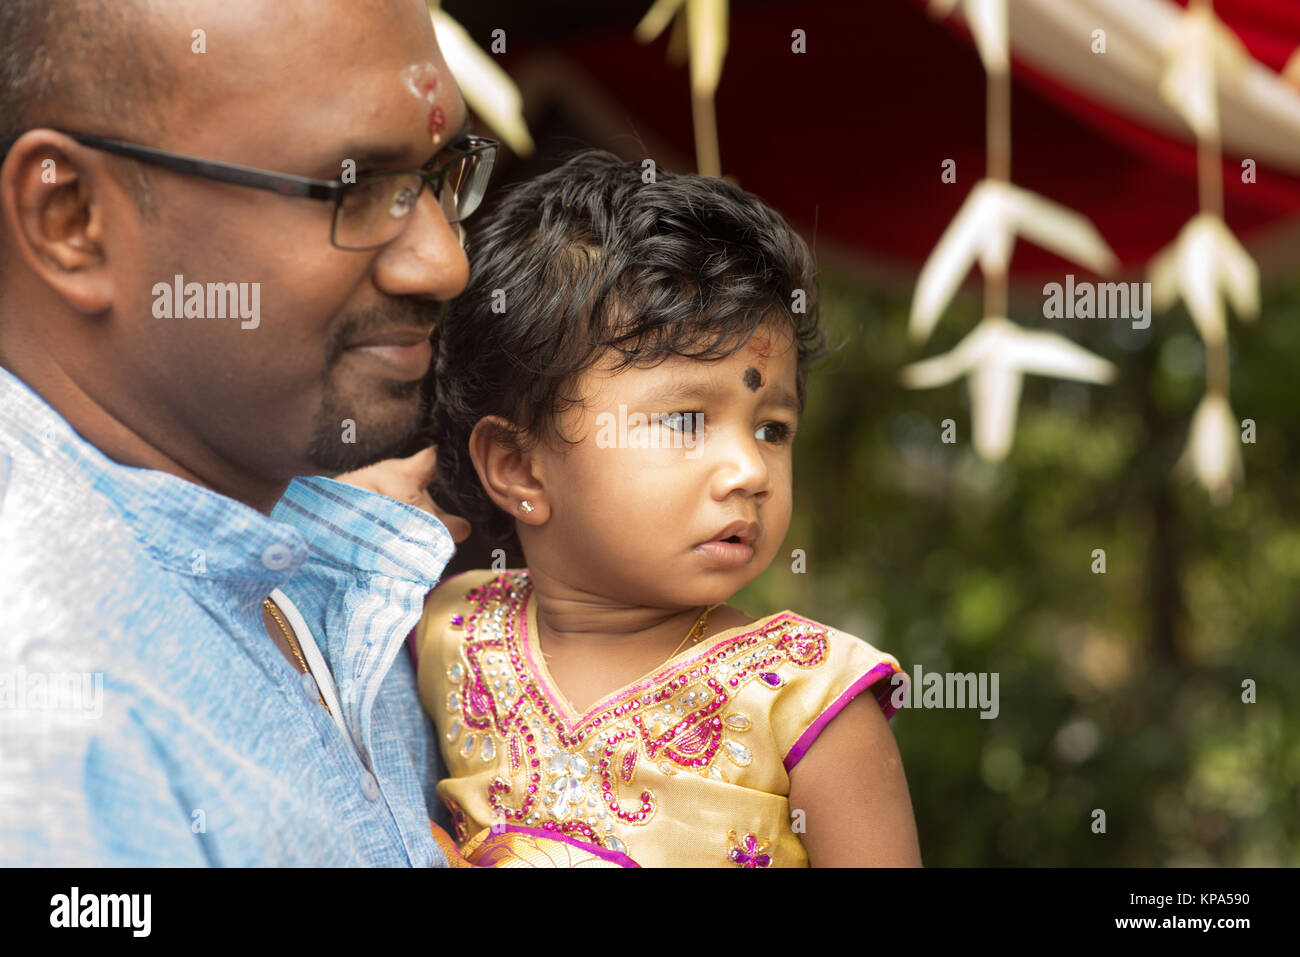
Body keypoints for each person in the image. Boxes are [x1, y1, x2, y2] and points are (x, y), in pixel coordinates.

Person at [0, 0, 486, 865]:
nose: (445, 260)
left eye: (439, 177)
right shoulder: (53, 720)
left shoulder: (301, 548)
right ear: (70, 217)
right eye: (353, 187)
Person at [413, 151, 923, 867]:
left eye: (772, 428)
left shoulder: (810, 703)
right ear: (519, 465)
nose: (750, 470)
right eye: (686, 421)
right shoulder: (447, 631)